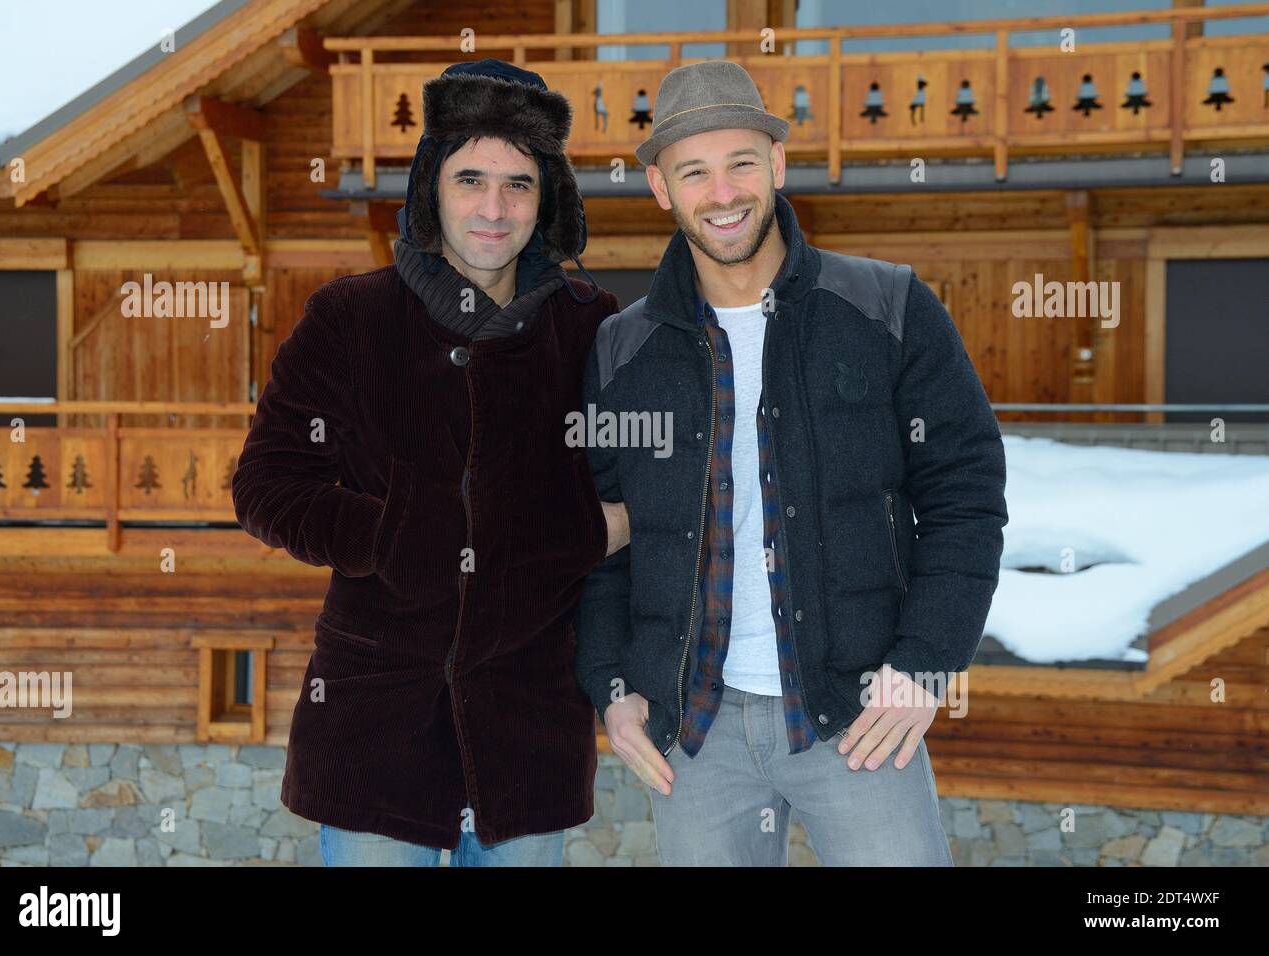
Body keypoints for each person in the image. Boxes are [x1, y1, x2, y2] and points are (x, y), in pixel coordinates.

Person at [574, 59, 1008, 866]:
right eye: (693, 171)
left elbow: (966, 499)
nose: (723, 191)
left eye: (742, 162)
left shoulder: (886, 307)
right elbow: (609, 541)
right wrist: (614, 686)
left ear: (777, 163)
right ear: (662, 189)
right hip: (694, 732)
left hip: (856, 717)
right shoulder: (622, 349)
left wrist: (924, 662)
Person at [232, 59, 626, 866]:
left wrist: (591, 536)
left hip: (528, 733)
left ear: (547, 196)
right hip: (375, 734)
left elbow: (630, 497)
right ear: (430, 188)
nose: (493, 207)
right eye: (470, 178)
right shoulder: (350, 318)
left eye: (519, 184)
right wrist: (392, 535)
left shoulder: (593, 329)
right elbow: (267, 484)